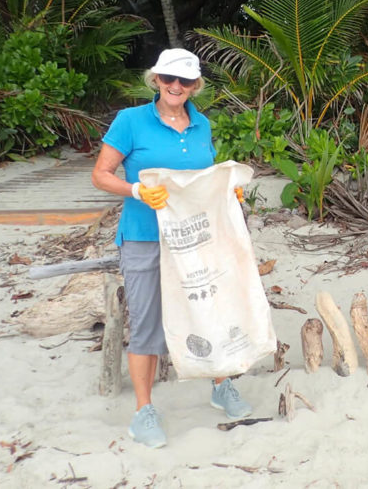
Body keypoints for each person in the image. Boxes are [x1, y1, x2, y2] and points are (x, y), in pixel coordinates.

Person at [91, 48, 251, 448]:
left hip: (196, 238)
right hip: (144, 236)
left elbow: (205, 179)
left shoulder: (202, 126)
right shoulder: (130, 121)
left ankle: (221, 385)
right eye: (168, 79)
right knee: (145, 324)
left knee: (207, 309)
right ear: (156, 80)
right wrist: (136, 190)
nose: (175, 87)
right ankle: (144, 411)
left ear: (195, 85)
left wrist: (228, 192)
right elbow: (100, 175)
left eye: (184, 81)